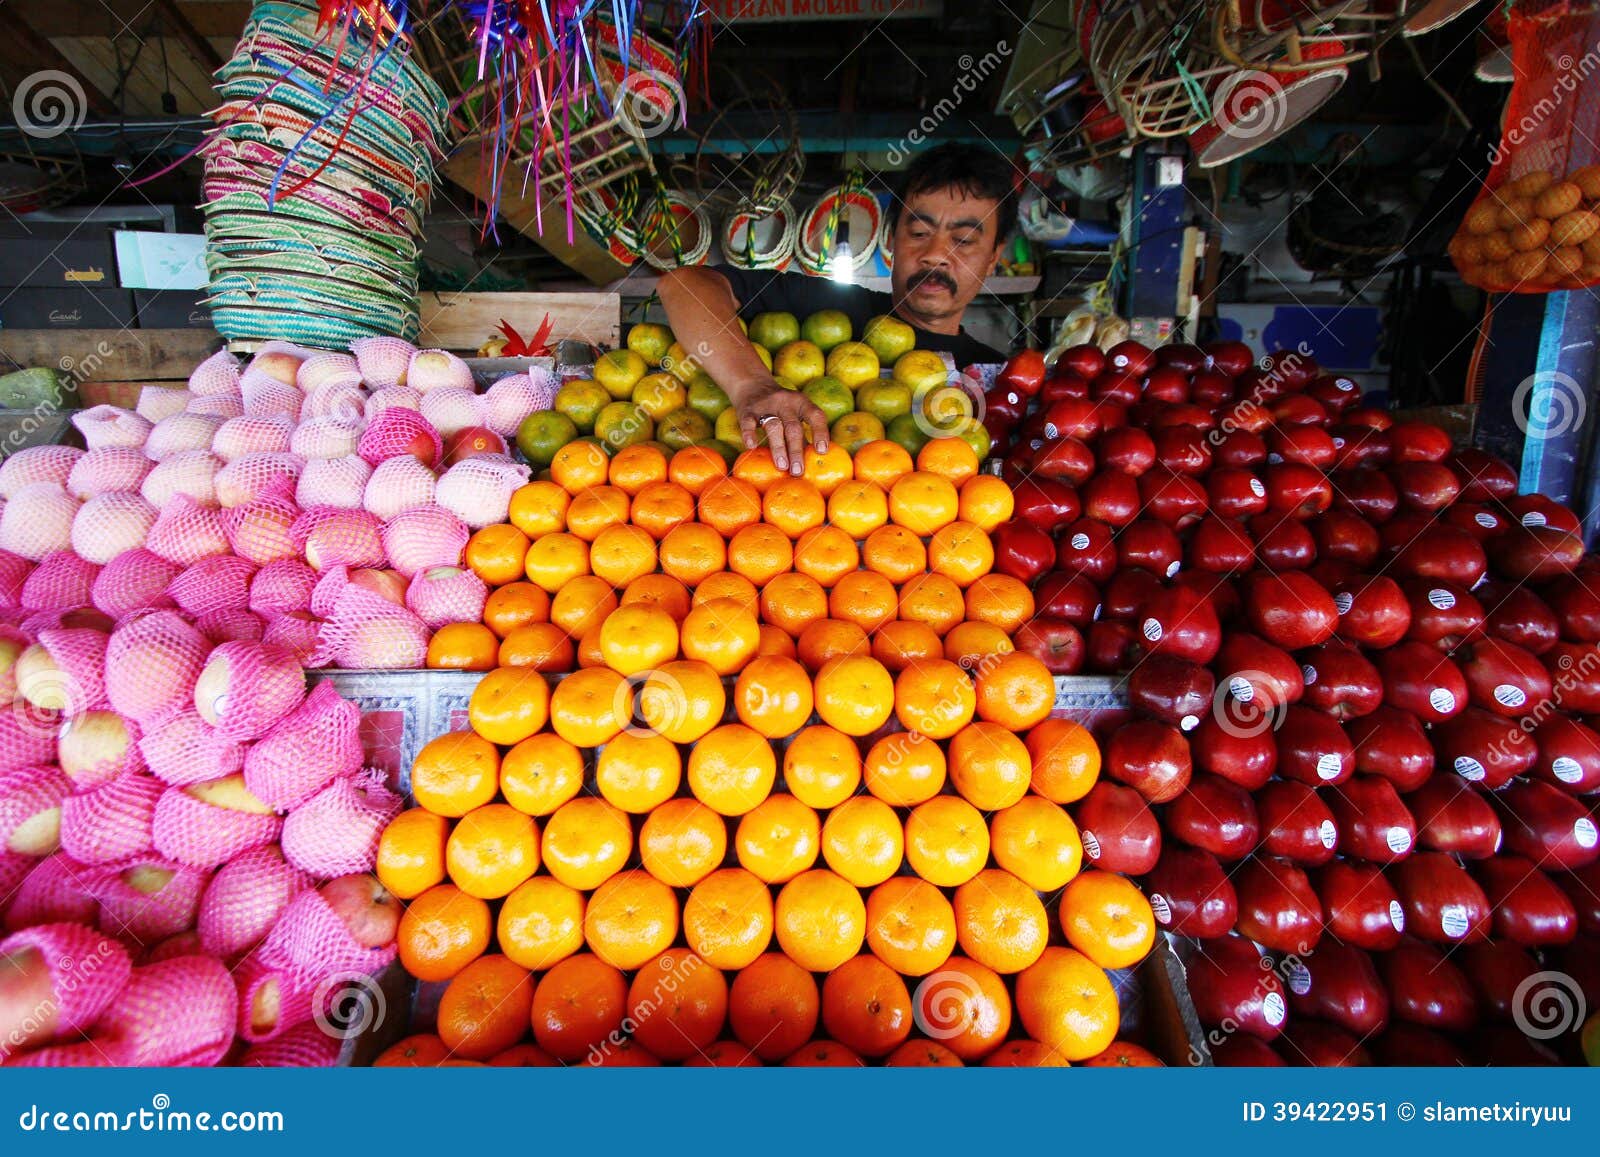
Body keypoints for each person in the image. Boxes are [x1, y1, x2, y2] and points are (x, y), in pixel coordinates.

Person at [657, 142, 1018, 475]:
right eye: (920, 232)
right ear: (891, 239)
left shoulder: (998, 379)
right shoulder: (827, 310)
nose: (937, 254)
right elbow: (683, 285)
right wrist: (752, 385)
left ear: (993, 258)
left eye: (964, 240)